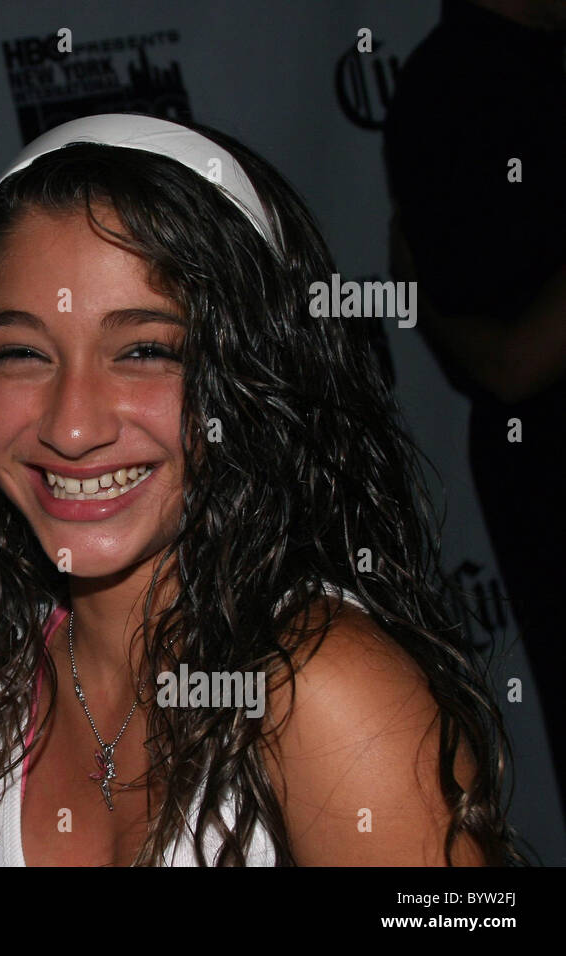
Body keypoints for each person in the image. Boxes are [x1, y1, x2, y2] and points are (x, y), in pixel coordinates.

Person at [0, 114, 522, 865]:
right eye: (21, 352)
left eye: (145, 350)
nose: (71, 427)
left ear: (253, 376)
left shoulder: (323, 692)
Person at [384, 0, 566, 824]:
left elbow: (507, 360)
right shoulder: (471, 87)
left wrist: (427, 305)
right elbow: (518, 363)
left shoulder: (434, 86)